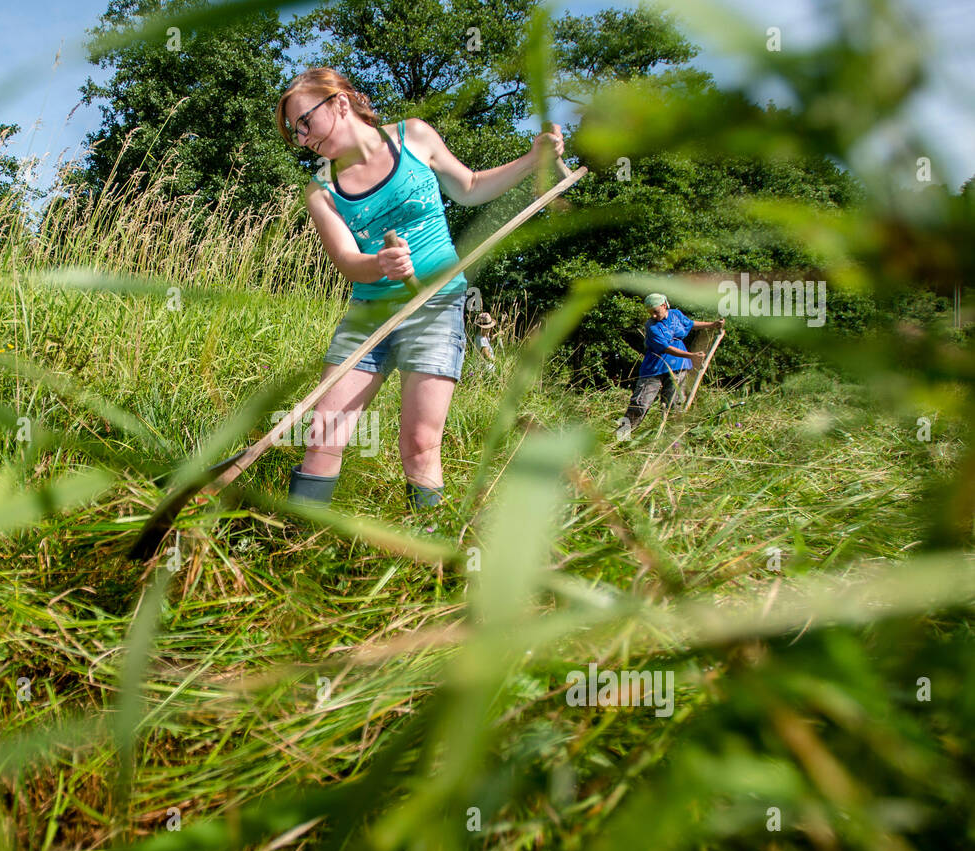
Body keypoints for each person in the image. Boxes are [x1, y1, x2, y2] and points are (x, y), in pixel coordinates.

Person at [274, 67, 567, 517]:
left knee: (420, 441)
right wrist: (379, 264)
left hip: (437, 306)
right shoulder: (322, 191)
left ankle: (429, 552)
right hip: (370, 312)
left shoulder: (415, 137)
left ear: (338, 103)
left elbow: (468, 188)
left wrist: (533, 159)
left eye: (304, 122)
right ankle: (298, 546)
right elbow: (348, 262)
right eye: (294, 133)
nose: (301, 138)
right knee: (324, 433)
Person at [619, 293, 723, 433]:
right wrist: (691, 355)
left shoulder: (676, 315)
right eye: (651, 313)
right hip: (654, 369)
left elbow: (690, 324)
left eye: (655, 312)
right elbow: (666, 348)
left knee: (674, 407)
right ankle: (621, 435)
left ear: (664, 306)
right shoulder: (651, 326)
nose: (653, 316)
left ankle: (671, 442)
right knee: (640, 404)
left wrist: (713, 325)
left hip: (678, 367)